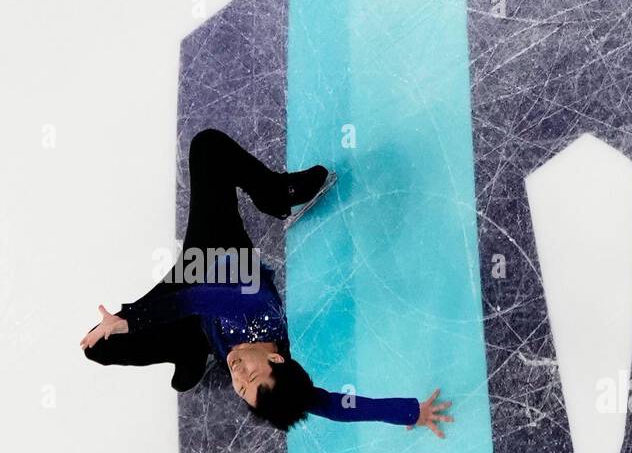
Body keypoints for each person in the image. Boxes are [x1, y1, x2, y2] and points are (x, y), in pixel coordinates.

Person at [80, 128, 453, 436]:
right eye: (250, 374)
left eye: (241, 388)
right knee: (208, 148)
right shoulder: (254, 306)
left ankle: (189, 351)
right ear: (276, 357)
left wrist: (412, 413)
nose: (237, 374)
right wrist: (128, 317)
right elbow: (191, 299)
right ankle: (276, 193)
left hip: (202, 322)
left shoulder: (282, 390)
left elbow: (341, 408)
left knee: (99, 348)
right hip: (215, 263)